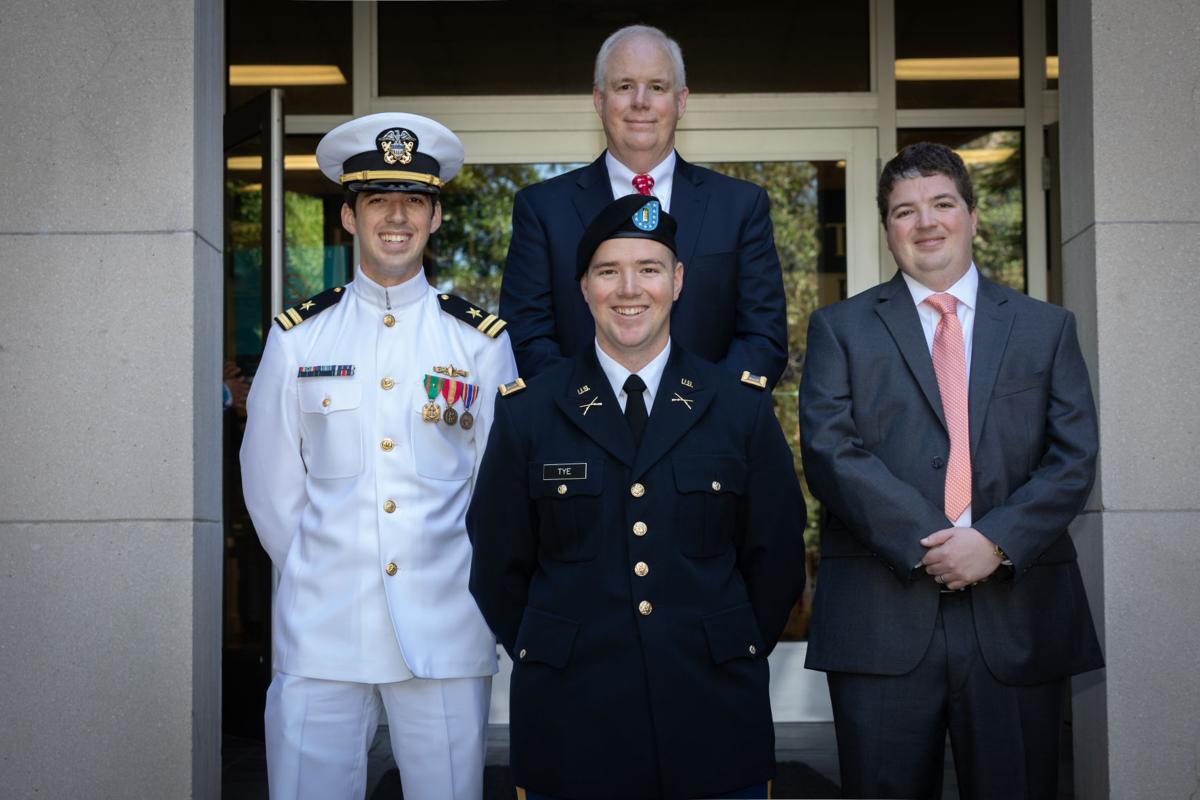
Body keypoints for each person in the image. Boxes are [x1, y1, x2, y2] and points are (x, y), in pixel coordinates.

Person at [468, 194, 806, 799]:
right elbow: (498, 563)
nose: (630, 289)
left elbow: (775, 558)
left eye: (649, 269)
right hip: (571, 723)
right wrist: (551, 651)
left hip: (714, 719)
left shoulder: (740, 409)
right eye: (608, 271)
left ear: (677, 282)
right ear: (583, 287)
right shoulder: (529, 413)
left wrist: (730, 649)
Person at [799, 142, 1103, 799]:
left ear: (971, 216)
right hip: (881, 617)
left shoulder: (1044, 328)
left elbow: (1072, 457)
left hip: (1016, 618)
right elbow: (829, 450)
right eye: (904, 211)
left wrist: (992, 544)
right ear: (887, 230)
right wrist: (936, 545)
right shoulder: (839, 329)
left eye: (942, 204)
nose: (925, 222)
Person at [240, 112, 517, 800]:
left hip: (446, 628)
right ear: (348, 215)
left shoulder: (478, 343)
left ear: (437, 215)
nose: (397, 216)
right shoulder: (300, 338)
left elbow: (499, 489)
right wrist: (317, 570)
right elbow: (270, 481)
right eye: (377, 200)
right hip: (322, 629)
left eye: (414, 200)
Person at [499, 24, 787, 388]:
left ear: (680, 101)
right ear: (599, 100)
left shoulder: (741, 207)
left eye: (656, 87)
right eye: (624, 86)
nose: (640, 101)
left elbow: (763, 339)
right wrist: (599, 414)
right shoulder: (541, 210)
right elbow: (527, 339)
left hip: (709, 436)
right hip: (579, 435)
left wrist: (694, 415)